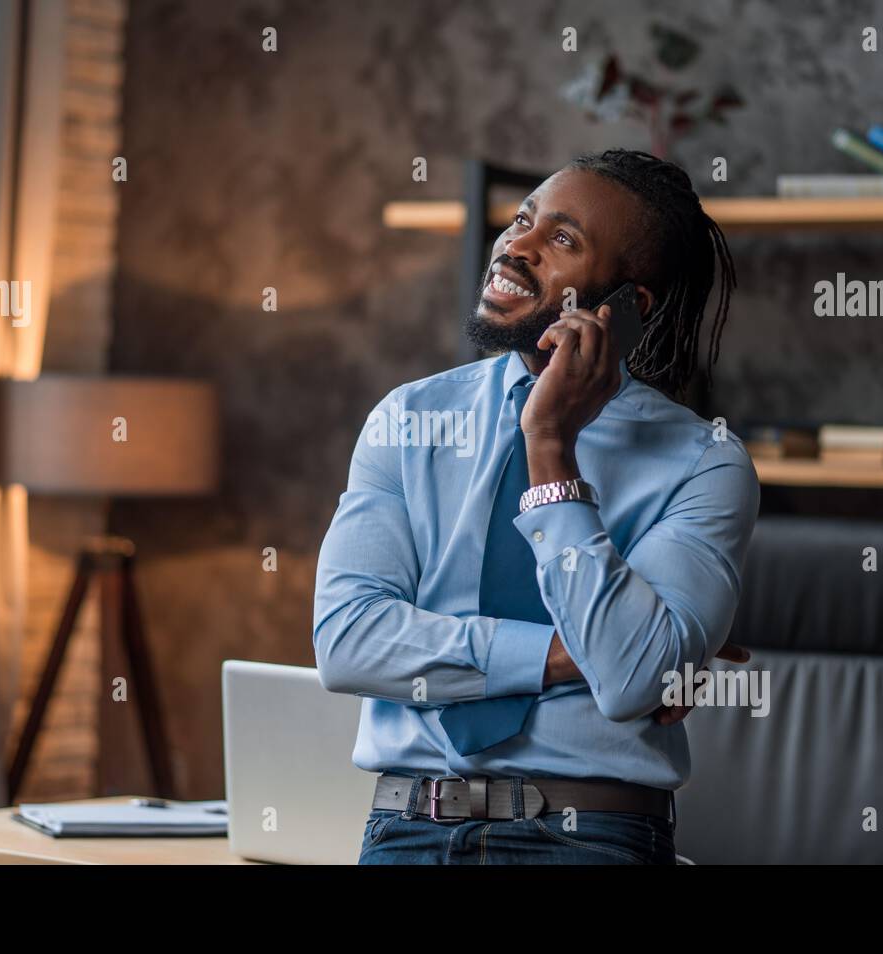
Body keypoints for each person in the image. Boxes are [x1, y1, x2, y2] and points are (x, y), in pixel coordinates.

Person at [314, 149, 760, 864]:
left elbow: (636, 683)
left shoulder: (704, 462)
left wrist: (549, 446)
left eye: (562, 240)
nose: (516, 245)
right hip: (407, 829)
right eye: (523, 220)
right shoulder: (408, 419)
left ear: (626, 307)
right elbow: (347, 644)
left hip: (589, 837)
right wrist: (575, 654)